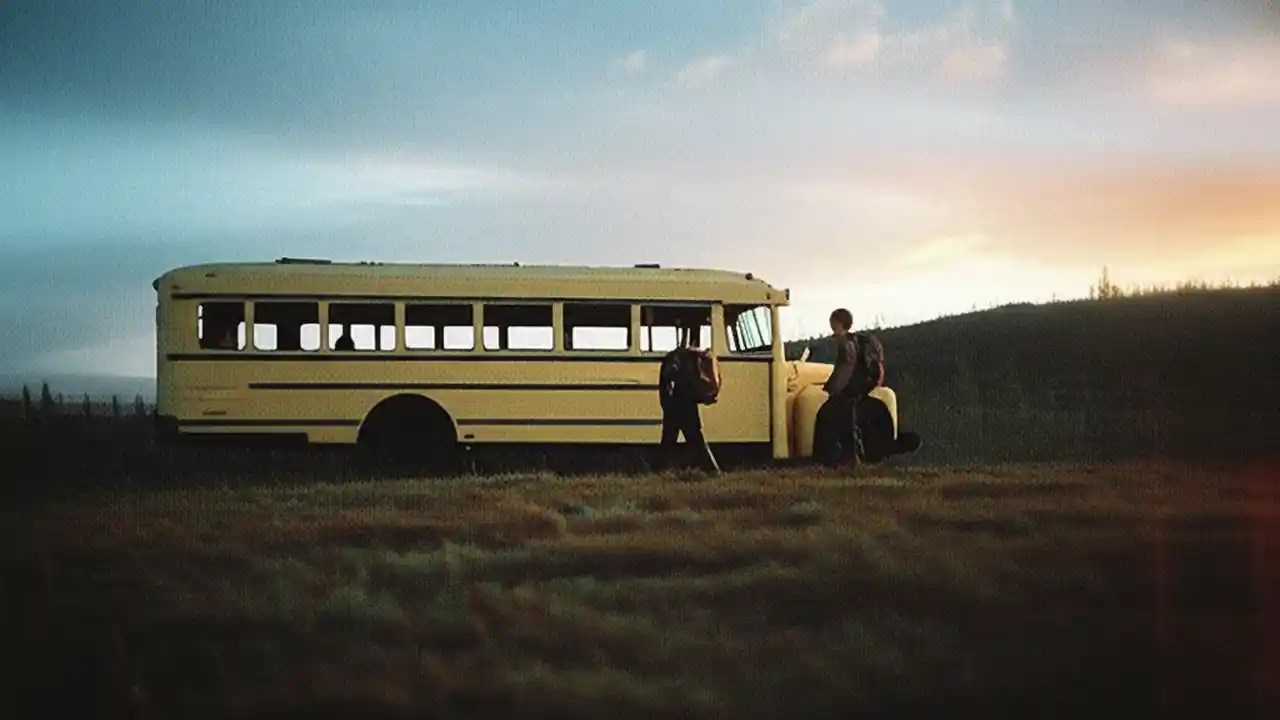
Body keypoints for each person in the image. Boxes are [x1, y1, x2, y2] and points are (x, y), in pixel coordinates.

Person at [657, 331, 721, 475]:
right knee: (695, 440)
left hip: (674, 404)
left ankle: (661, 469)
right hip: (686, 405)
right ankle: (712, 470)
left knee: (669, 440)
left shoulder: (675, 357)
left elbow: (668, 379)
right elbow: (695, 382)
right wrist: (705, 397)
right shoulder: (693, 358)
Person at [813, 308, 864, 468]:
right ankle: (851, 459)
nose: (831, 324)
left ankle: (837, 459)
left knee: (830, 420)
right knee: (847, 424)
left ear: (839, 323)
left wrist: (833, 388)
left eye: (833, 321)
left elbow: (845, 369)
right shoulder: (851, 342)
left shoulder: (844, 343)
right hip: (850, 391)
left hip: (844, 392)